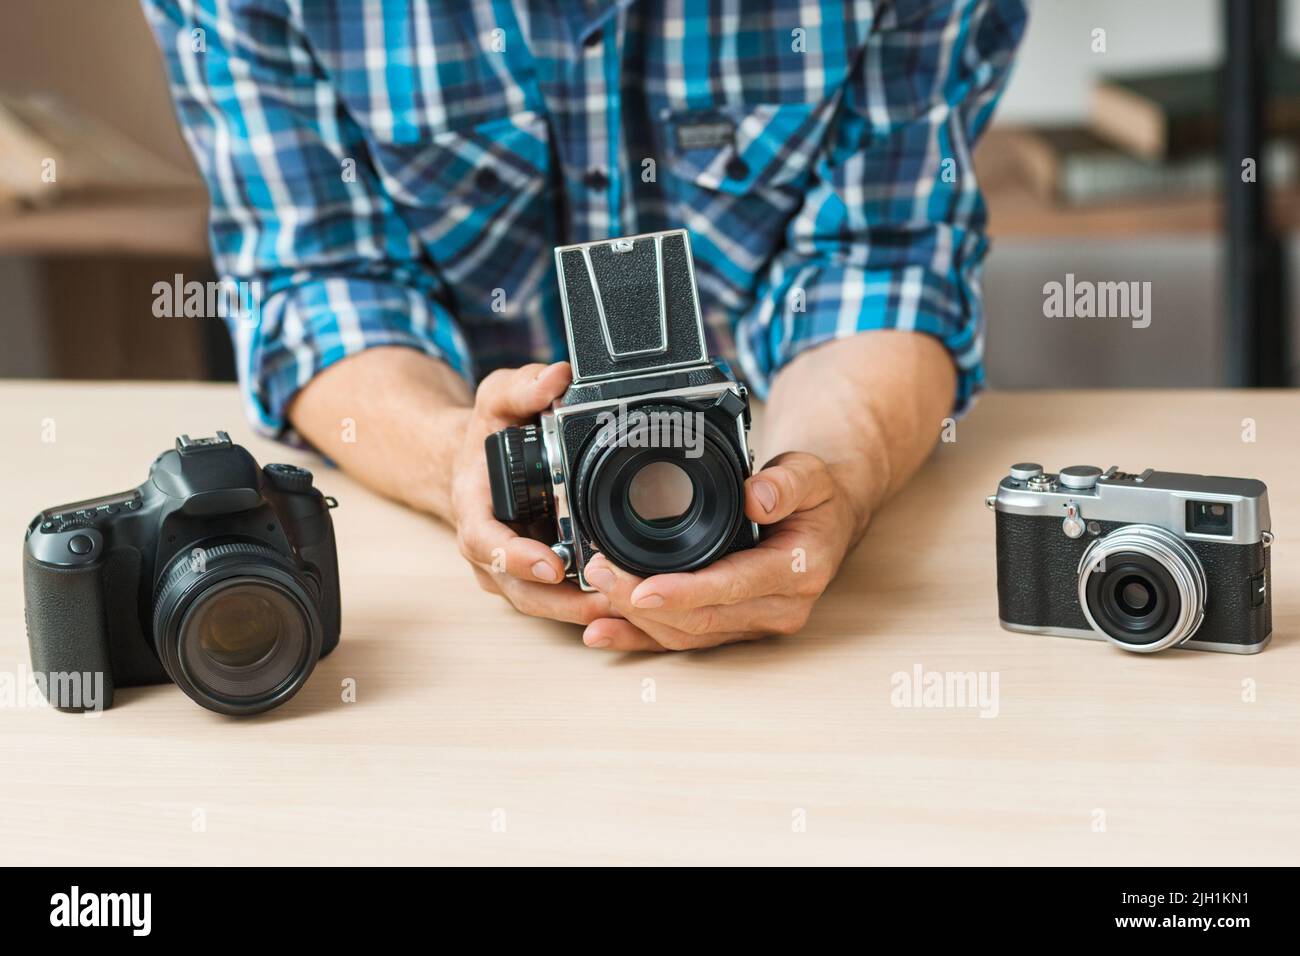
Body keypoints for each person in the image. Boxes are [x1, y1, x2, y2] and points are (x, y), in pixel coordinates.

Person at [142, 0, 1027, 651]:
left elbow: (883, 260)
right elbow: (322, 279)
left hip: (771, 451)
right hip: (456, 547)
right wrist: (460, 462)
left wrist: (826, 481)